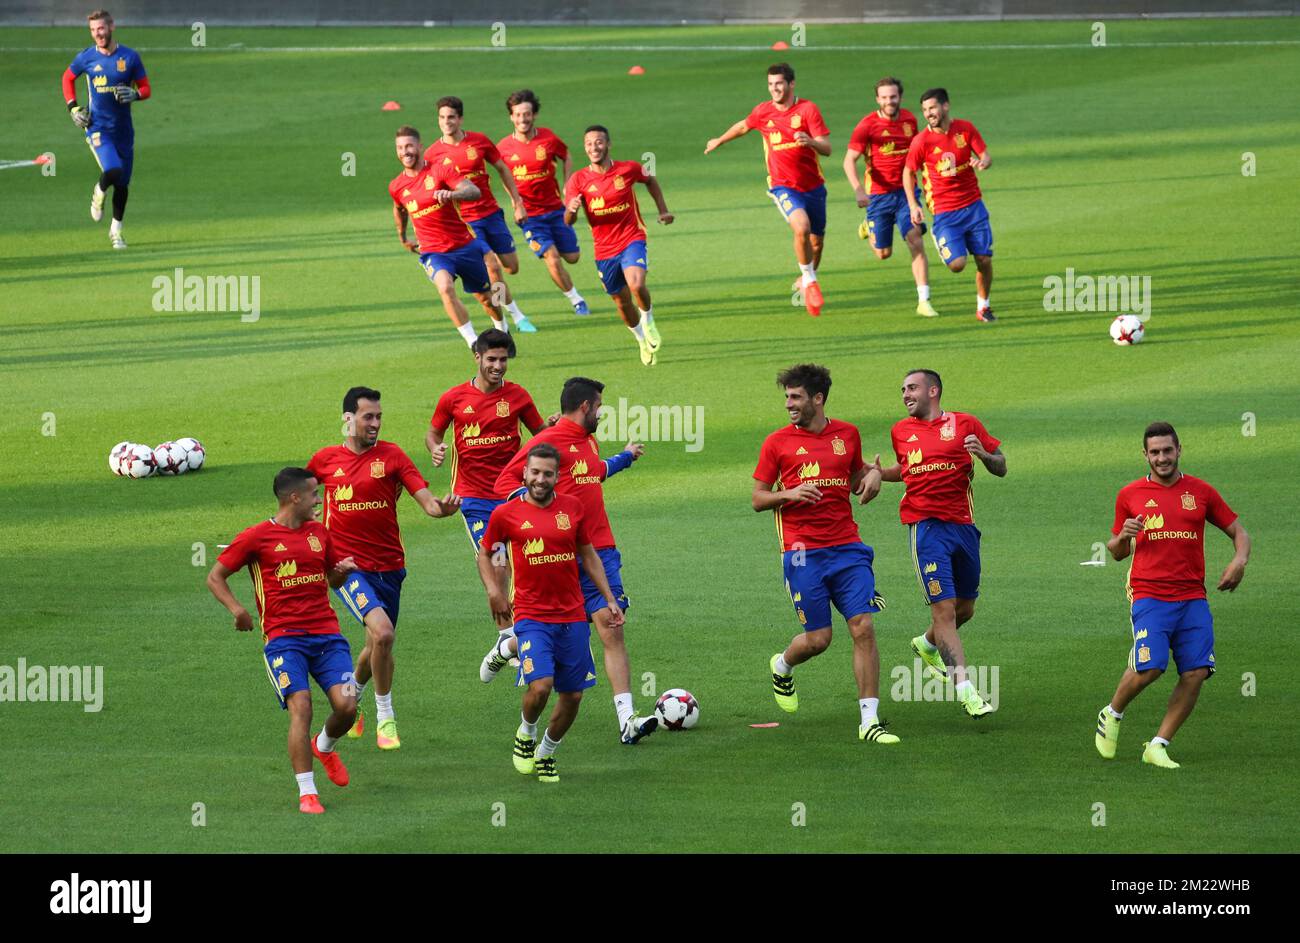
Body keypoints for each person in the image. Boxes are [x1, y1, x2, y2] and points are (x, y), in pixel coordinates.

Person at [493, 377, 657, 745]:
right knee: (557, 629)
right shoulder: (546, 443)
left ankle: (627, 720)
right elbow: (504, 482)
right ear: (585, 406)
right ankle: (510, 647)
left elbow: (593, 473)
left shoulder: (587, 441)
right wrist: (541, 514)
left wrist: (625, 457)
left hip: (602, 551)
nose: (601, 412)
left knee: (611, 626)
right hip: (562, 556)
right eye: (599, 406)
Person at [306, 387, 460, 750]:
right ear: (348, 419)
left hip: (390, 567)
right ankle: (385, 715)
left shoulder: (392, 457)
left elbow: (429, 504)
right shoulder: (325, 460)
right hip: (346, 568)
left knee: (377, 641)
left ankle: (352, 699)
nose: (375, 423)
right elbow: (298, 496)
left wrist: (443, 509)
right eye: (367, 417)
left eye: (378, 417)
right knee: (384, 634)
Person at [752, 364, 899, 744]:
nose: (789, 404)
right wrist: (789, 494)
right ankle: (783, 665)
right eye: (786, 396)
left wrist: (872, 479)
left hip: (848, 548)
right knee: (818, 639)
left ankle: (869, 721)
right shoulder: (777, 443)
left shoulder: (847, 434)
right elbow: (757, 498)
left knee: (863, 627)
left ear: (817, 399)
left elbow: (853, 478)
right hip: (802, 552)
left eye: (795, 396)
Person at [1094, 422, 1250, 769]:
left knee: (1196, 672)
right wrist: (1122, 537)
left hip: (1193, 596)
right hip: (1150, 593)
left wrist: (1239, 561)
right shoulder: (1130, 494)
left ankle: (1158, 745)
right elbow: (1117, 551)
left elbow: (1239, 532)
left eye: (1167, 450)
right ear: (1145, 455)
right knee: (1151, 667)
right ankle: (1113, 712)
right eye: (1154, 452)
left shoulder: (1201, 492)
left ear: (1179, 450)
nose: (1161, 458)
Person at [206, 467, 360, 814]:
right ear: (295, 498)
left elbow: (332, 582)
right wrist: (238, 611)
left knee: (348, 707)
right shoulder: (257, 537)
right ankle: (308, 793)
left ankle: (324, 746)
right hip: (284, 640)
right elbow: (215, 576)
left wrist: (341, 572)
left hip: (327, 638)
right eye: (314, 494)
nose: (319, 500)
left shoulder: (319, 534)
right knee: (301, 706)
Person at [479, 444, 624, 783]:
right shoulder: (507, 514)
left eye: (547, 474)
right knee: (541, 686)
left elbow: (588, 554)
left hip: (572, 615)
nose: (540, 479)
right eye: (535, 472)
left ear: (557, 476)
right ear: (525, 474)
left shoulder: (572, 509)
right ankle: (526, 732)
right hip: (531, 616)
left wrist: (609, 599)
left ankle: (547, 751)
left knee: (573, 695)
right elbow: (485, 554)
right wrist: (494, 591)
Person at [874, 369, 1004, 718]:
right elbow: (908, 468)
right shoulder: (901, 431)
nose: (905, 394)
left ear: (934, 390)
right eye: (902, 389)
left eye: (912, 388)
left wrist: (984, 456)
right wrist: (876, 473)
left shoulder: (965, 424)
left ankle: (927, 643)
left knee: (966, 609)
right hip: (926, 529)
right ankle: (968, 691)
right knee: (944, 612)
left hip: (963, 526)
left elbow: (1001, 465)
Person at [427, 329, 546, 680]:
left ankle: (511, 639)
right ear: (476, 357)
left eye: (503, 360)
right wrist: (435, 446)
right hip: (473, 497)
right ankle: (507, 638)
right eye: (491, 359)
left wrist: (555, 429)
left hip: (512, 494)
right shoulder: (454, 398)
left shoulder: (518, 396)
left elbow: (540, 435)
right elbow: (434, 431)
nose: (498, 366)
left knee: (525, 562)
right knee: (497, 561)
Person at [705, 63, 831, 316]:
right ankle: (809, 279)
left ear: (791, 84)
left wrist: (811, 142)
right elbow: (743, 126)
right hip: (783, 186)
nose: (775, 89)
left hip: (813, 186)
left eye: (779, 84)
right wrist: (719, 139)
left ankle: (806, 278)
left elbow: (827, 148)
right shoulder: (763, 112)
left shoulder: (808, 109)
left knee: (816, 244)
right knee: (801, 227)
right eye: (771, 84)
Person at [424, 96, 537, 333]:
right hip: (466, 222)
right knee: (492, 267)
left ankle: (507, 309)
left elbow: (503, 169)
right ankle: (512, 319)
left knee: (511, 267)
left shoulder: (479, 141)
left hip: (492, 214)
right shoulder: (432, 154)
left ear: (460, 118)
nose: (447, 122)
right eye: (442, 118)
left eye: (451, 117)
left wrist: (517, 202)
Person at [389, 125, 508, 348]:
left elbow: (474, 191)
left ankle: (502, 329)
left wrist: (452, 194)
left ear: (420, 146)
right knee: (445, 287)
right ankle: (473, 342)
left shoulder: (440, 171)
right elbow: (399, 209)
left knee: (487, 299)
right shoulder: (396, 186)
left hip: (464, 245)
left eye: (409, 146)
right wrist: (402, 235)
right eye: (400, 147)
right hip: (433, 251)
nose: (405, 151)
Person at [564, 125, 672, 366]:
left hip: (632, 237)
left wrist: (663, 210)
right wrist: (571, 211)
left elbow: (650, 180)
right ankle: (641, 339)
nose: (594, 147)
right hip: (604, 249)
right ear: (585, 148)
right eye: (590, 143)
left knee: (637, 284)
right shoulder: (578, 180)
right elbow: (567, 221)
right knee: (622, 302)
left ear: (609, 144)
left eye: (599, 142)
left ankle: (649, 319)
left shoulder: (628, 168)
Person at [843, 77, 937, 318]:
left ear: (900, 98)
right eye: (884, 98)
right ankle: (868, 227)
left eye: (893, 97)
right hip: (879, 197)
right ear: (877, 100)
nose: (889, 101)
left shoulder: (909, 120)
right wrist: (858, 189)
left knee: (915, 238)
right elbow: (848, 160)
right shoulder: (866, 126)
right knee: (883, 254)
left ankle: (924, 300)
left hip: (907, 193)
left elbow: (918, 153)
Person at [903, 88, 996, 322]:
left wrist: (983, 162)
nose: (928, 114)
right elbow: (908, 172)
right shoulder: (921, 141)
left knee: (984, 259)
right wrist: (914, 204)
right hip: (945, 212)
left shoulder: (965, 128)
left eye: (932, 108)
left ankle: (983, 307)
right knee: (957, 265)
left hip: (974, 206)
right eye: (924, 110)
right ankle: (940, 236)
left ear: (946, 106)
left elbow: (986, 155)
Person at [496, 89, 590, 316]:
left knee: (573, 257)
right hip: (530, 217)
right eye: (518, 114)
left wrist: (568, 185)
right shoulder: (504, 148)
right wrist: (516, 203)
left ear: (534, 115)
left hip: (556, 209)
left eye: (526, 114)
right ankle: (576, 300)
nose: (522, 119)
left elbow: (566, 156)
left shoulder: (548, 138)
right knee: (552, 256)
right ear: (511, 117)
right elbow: (502, 176)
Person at [62, 8, 150, 249]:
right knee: (112, 169)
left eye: (100, 28)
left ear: (111, 27)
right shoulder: (87, 58)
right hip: (97, 127)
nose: (97, 34)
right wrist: (73, 108)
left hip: (124, 131)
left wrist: (135, 94)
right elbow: (67, 78)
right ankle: (98, 192)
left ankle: (116, 231)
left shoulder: (130, 58)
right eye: (93, 30)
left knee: (122, 184)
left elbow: (146, 88)